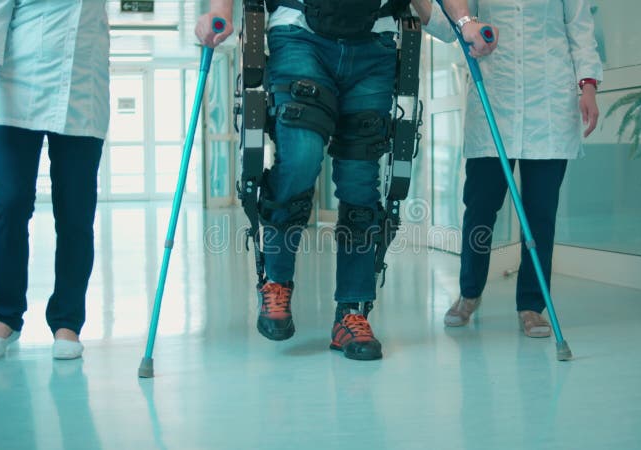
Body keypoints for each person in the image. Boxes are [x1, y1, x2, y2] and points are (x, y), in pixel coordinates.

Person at [196, 0, 496, 360]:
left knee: (359, 181)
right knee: (302, 154)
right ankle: (276, 279)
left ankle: (351, 312)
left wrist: (464, 20)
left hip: (374, 40)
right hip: (299, 31)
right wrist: (221, 12)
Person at [410, 0, 602, 335]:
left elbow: (580, 29)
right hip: (494, 101)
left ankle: (531, 305)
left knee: (540, 213)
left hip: (549, 103)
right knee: (480, 207)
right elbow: (450, 23)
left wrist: (588, 86)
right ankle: (470, 292)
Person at [0, 0, 110, 359]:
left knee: (77, 215)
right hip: (18, 88)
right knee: (11, 202)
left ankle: (67, 322)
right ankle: (5, 316)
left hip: (82, 92)